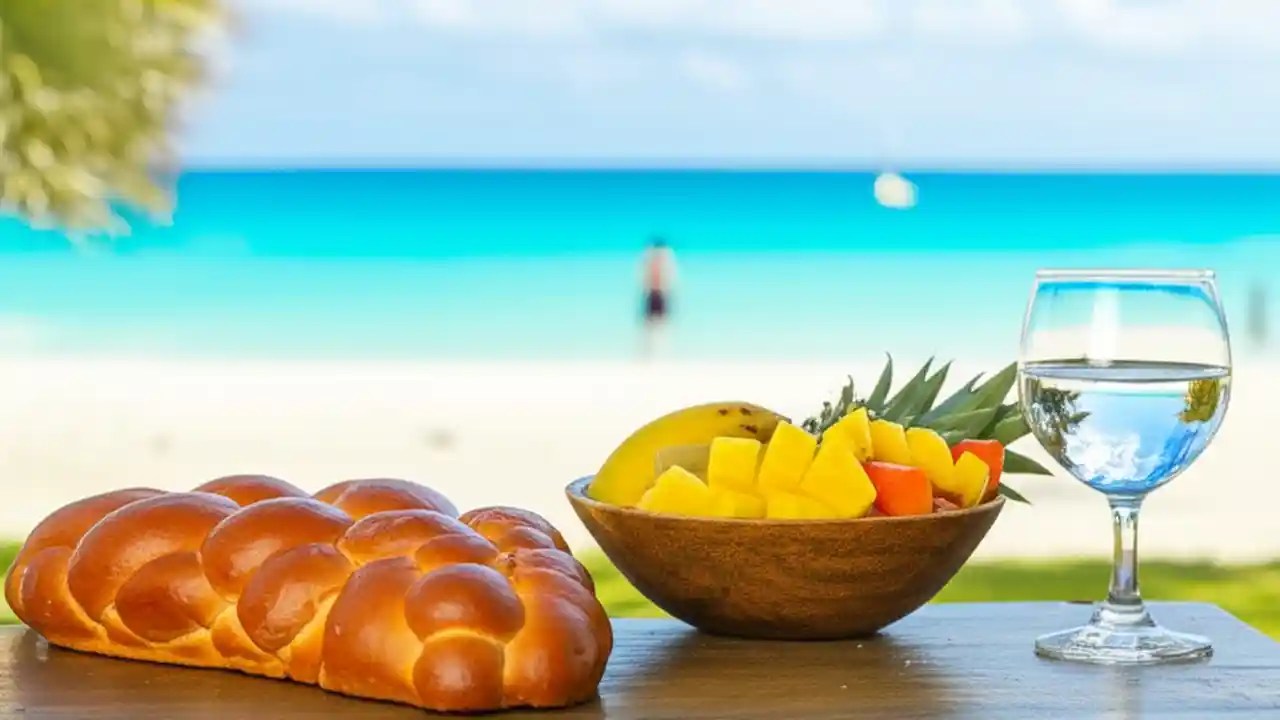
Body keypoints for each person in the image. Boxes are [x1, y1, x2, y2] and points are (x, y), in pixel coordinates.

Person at [640, 236, 676, 358]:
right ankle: (648, 355)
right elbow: (645, 280)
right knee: (648, 330)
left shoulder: (666, 260)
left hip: (660, 295)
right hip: (652, 295)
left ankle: (661, 355)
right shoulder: (648, 260)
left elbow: (669, 281)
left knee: (662, 328)